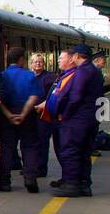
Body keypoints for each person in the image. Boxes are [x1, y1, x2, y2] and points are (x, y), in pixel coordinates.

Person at [39, 44, 104, 196]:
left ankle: (72, 184)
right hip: (90, 117)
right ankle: (83, 183)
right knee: (83, 152)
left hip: (77, 119)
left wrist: (65, 114)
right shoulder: (94, 71)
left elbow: (75, 97)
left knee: (70, 151)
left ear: (77, 56)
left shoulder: (82, 72)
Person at [0, 47, 41, 193]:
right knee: (29, 147)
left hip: (7, 119)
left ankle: (4, 181)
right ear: (21, 60)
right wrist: (23, 114)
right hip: (27, 118)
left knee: (7, 149)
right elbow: (33, 97)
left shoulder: (2, 75)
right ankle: (30, 179)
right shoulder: (30, 76)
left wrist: (9, 115)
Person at [28, 52, 55, 179]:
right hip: (29, 114)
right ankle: (31, 167)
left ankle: (41, 168)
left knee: (42, 142)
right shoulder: (28, 76)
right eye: (35, 62)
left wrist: (42, 105)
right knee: (30, 142)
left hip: (43, 114)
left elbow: (53, 94)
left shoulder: (50, 77)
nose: (38, 63)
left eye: (40, 62)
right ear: (31, 64)